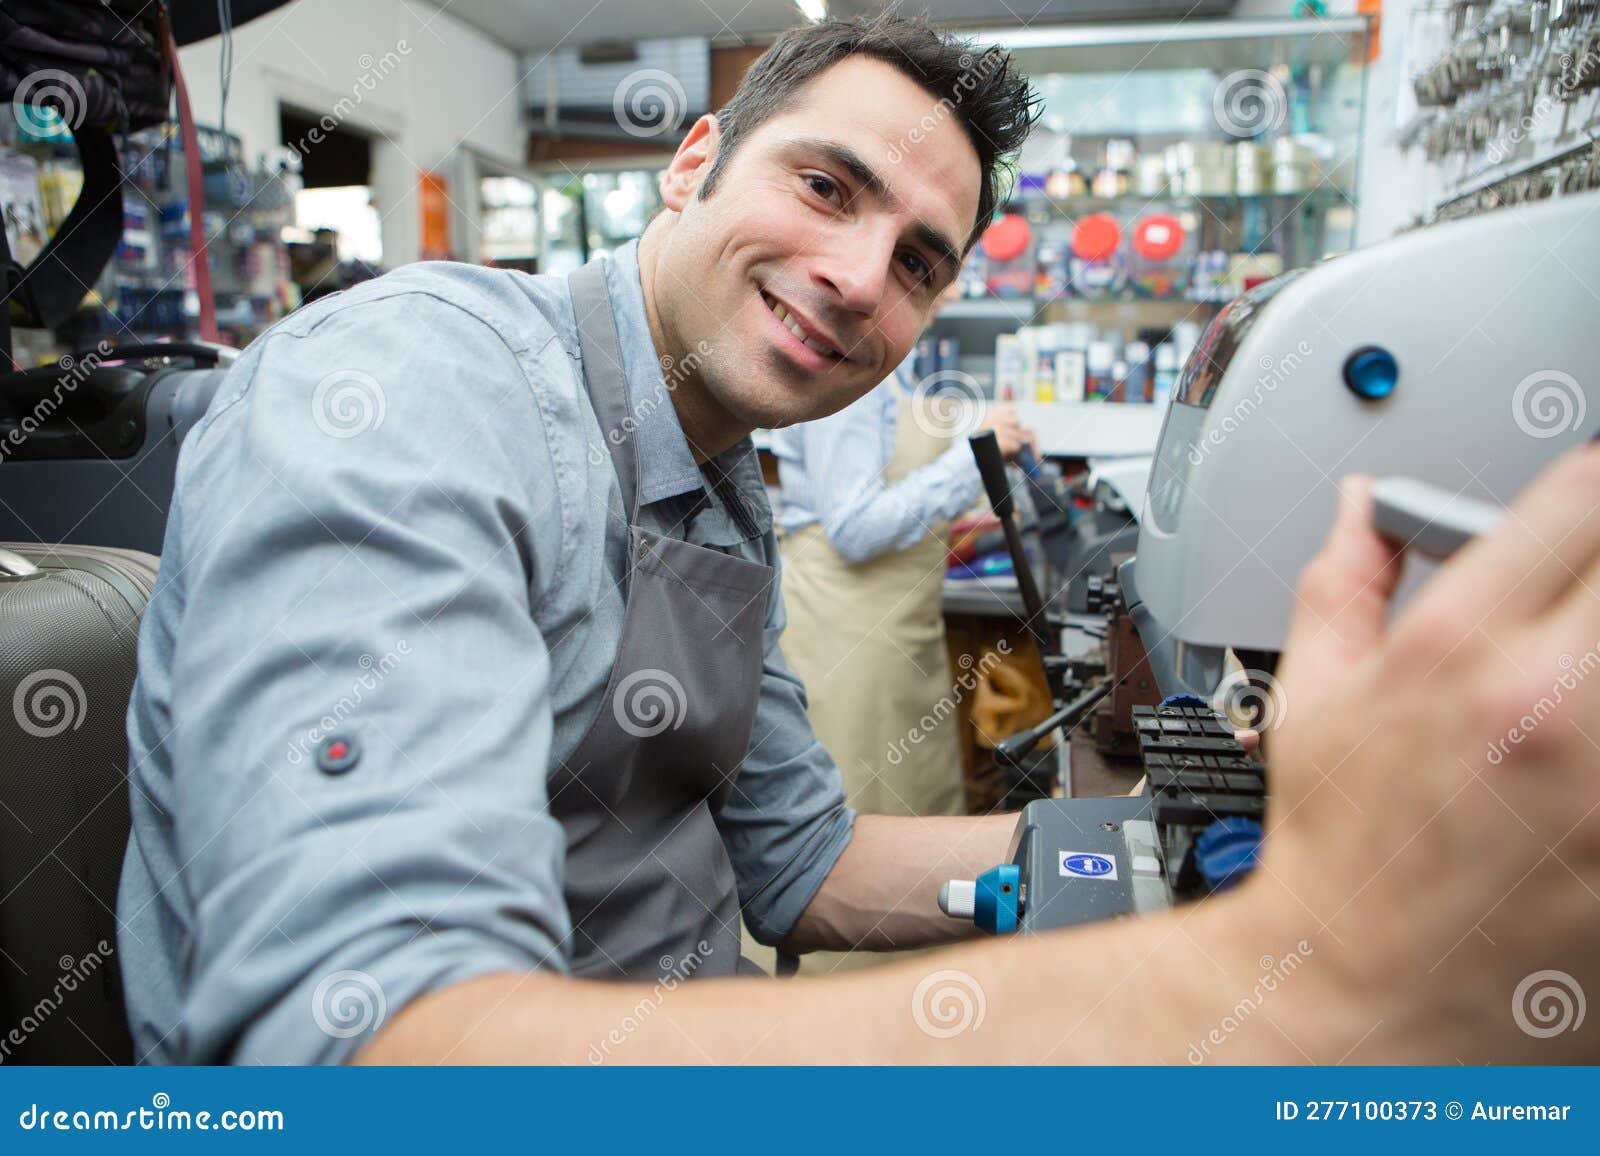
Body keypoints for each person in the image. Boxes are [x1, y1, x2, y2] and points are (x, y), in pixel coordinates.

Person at [116, 14, 1599, 1065]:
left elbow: (803, 861)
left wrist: (1174, 854)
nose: (852, 278)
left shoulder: (718, 478)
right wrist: (1311, 985)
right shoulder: (413, 395)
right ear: (692, 162)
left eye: (917, 264)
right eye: (826, 187)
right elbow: (366, 1045)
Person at [771, 355, 1034, 818]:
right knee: (860, 809)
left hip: (899, 633)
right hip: (847, 635)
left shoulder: (897, 363)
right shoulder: (854, 361)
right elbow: (855, 528)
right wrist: (974, 457)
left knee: (913, 801)